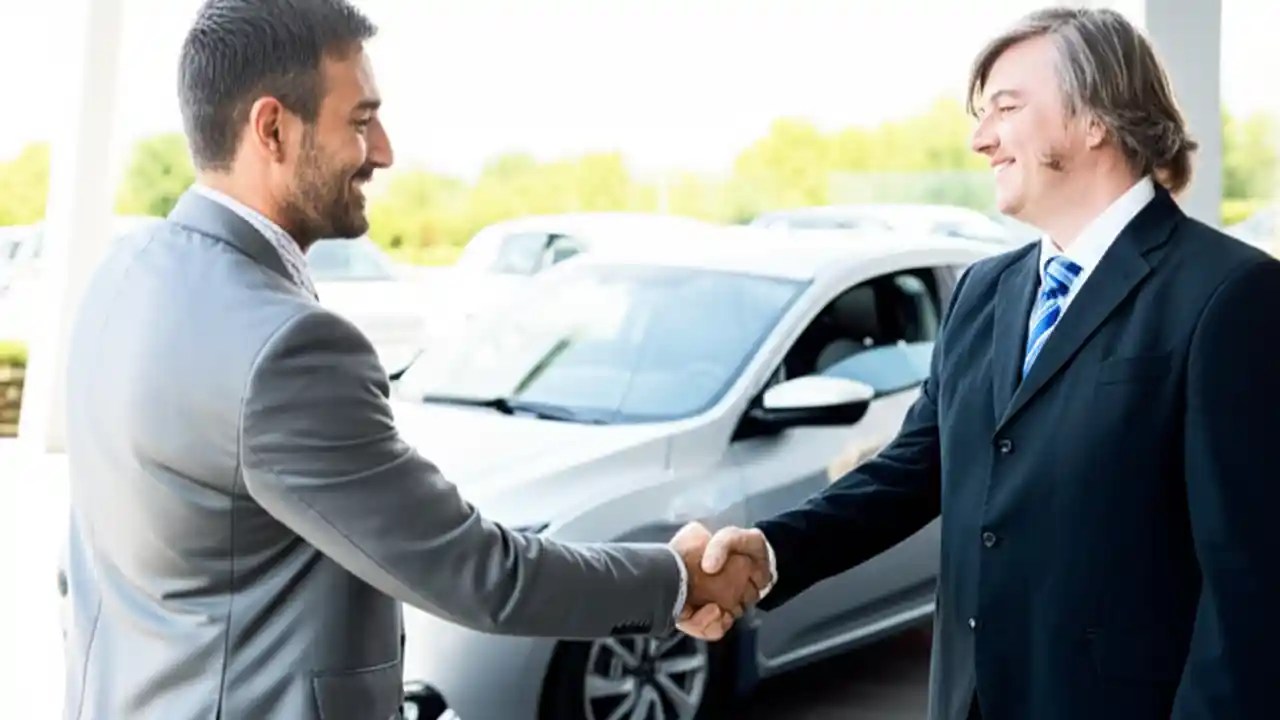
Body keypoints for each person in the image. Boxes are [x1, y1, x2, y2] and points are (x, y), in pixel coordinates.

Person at [57, 2, 760, 718]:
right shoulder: (286, 348)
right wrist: (677, 582)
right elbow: (479, 574)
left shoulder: (123, 275)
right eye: (361, 121)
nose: (384, 152)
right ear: (272, 129)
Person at [683, 7, 1280, 720]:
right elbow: (911, 472)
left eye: (1006, 107)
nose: (980, 138)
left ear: (1096, 118)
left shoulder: (1230, 295)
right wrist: (773, 550)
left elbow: (1250, 588)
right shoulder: (983, 290)